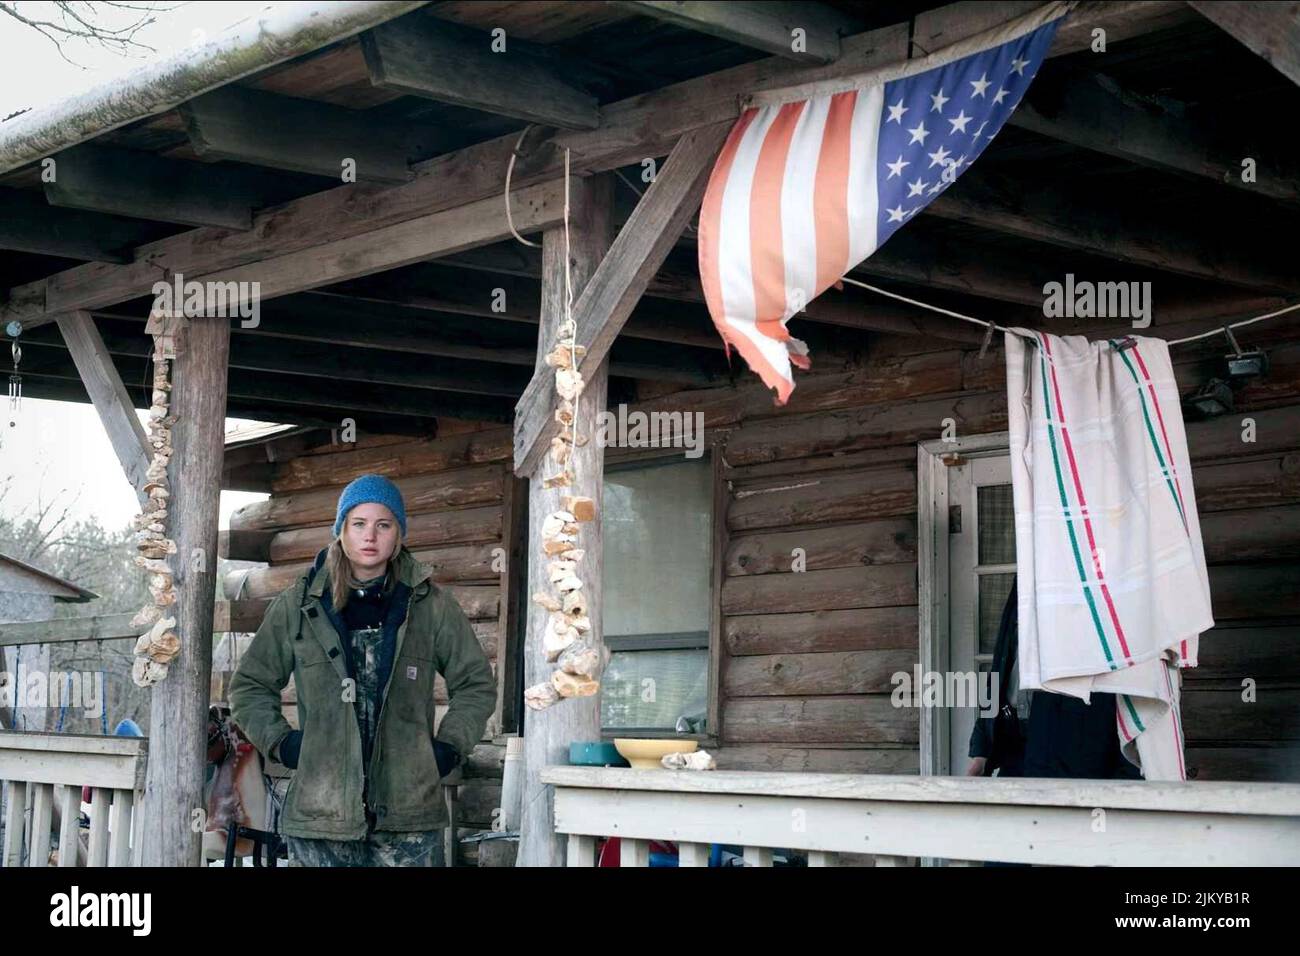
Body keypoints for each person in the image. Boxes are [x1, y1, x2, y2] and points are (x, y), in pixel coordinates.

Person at [229, 474, 497, 866]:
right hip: (322, 815)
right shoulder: (300, 605)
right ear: (341, 531)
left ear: (398, 535)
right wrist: (285, 744)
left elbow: (475, 683)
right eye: (359, 524)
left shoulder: (430, 605)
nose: (370, 536)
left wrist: (447, 748)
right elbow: (250, 686)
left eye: (383, 525)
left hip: (408, 817)